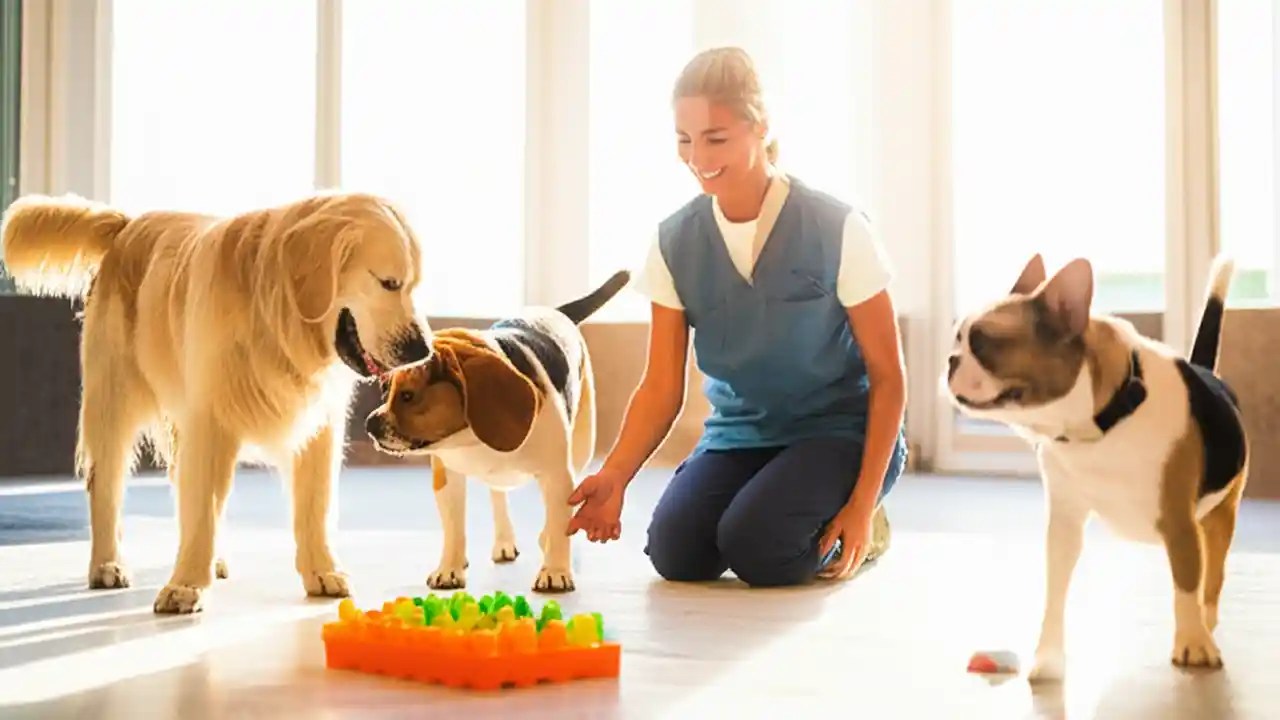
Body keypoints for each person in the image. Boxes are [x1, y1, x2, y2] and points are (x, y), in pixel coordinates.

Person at [566, 46, 908, 587]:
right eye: (684, 139)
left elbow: (889, 377)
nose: (697, 155)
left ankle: (868, 527)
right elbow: (660, 386)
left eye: (715, 137)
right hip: (740, 436)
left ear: (761, 126)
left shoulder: (838, 227)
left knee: (762, 551)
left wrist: (862, 503)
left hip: (838, 433)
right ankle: (773, 501)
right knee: (677, 555)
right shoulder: (674, 239)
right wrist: (615, 475)